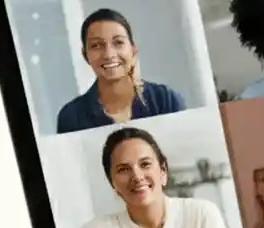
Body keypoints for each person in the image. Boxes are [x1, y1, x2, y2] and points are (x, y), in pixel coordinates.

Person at [77, 127, 229, 228]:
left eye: (145, 164)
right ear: (113, 183)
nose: (137, 177)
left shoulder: (203, 215)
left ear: (163, 172)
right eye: (123, 169)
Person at [56, 9, 186, 134]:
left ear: (133, 49)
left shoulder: (165, 100)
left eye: (118, 42)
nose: (108, 54)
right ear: (85, 55)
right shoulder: (71, 117)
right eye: (96, 45)